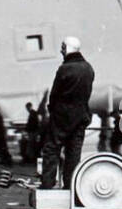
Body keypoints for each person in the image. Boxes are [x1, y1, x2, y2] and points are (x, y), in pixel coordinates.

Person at [39, 36, 95, 190]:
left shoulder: (64, 69)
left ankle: (48, 183)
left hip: (62, 116)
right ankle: (70, 185)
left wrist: (52, 110)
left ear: (67, 48)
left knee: (51, 148)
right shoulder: (88, 68)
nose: (61, 50)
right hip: (81, 115)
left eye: (63, 47)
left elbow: (55, 94)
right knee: (73, 152)